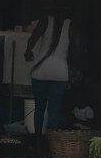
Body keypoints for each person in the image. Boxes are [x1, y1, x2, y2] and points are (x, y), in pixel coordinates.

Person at [25, 10, 75, 142]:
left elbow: (33, 39)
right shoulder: (70, 25)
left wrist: (28, 51)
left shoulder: (46, 21)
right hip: (60, 73)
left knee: (39, 108)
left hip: (41, 71)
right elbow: (76, 48)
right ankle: (51, 143)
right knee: (54, 110)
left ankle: (37, 140)